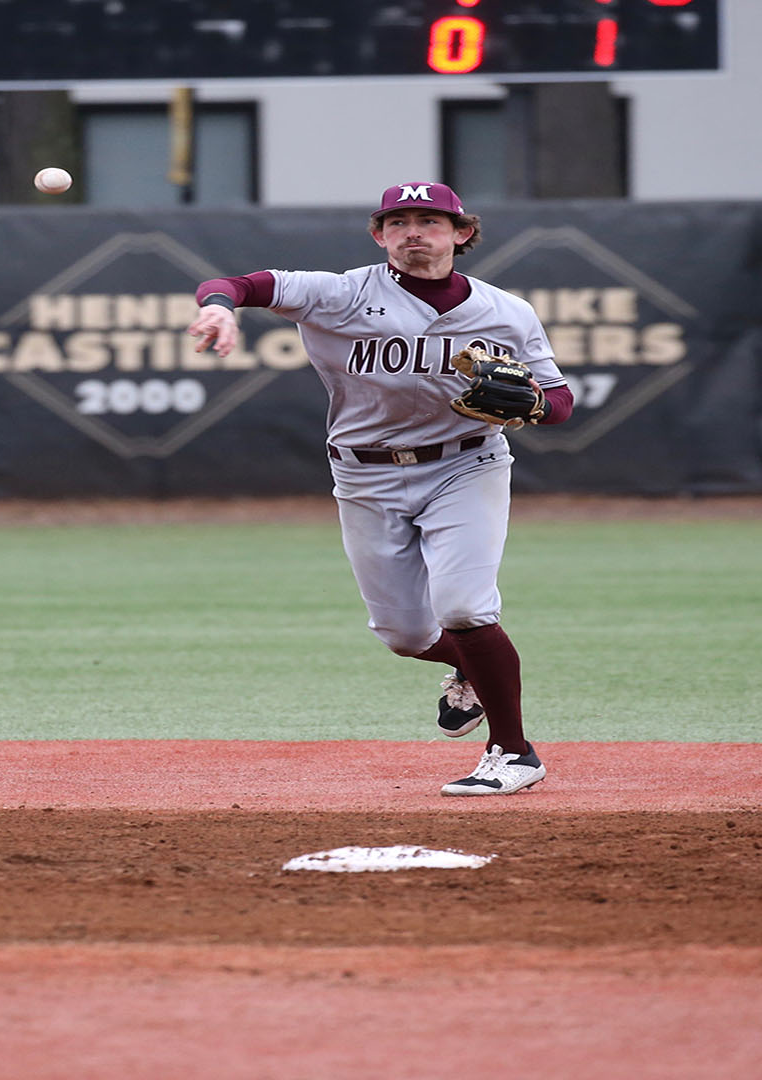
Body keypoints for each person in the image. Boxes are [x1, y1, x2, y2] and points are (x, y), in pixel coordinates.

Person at [185, 181, 574, 796]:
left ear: (462, 233)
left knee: (465, 608)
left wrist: (533, 404)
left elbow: (559, 399)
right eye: (398, 222)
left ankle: (513, 752)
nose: (413, 232)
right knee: (405, 636)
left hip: (465, 465)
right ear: (378, 235)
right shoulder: (341, 294)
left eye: (430, 221)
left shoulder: (507, 311)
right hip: (364, 474)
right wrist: (217, 307)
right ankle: (471, 671)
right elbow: (240, 283)